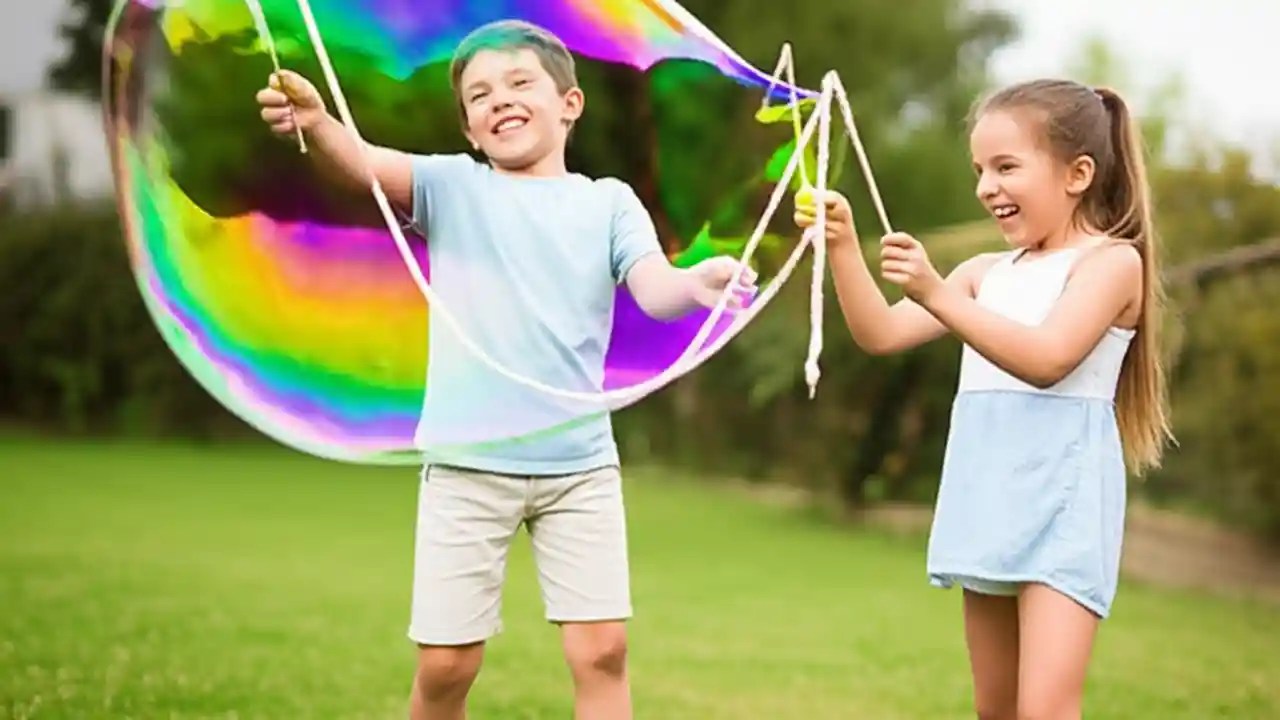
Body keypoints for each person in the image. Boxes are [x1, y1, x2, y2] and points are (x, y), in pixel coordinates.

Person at [257, 19, 756, 720]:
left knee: (603, 651)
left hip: (578, 466)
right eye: (480, 95)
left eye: (520, 82)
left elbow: (653, 286)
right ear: (469, 130)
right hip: (468, 464)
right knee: (447, 664)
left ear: (569, 104)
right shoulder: (451, 186)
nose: (501, 100)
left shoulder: (608, 202)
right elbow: (364, 164)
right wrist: (319, 124)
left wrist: (695, 282)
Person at [795, 78, 1172, 719]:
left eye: (1006, 167)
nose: (986, 187)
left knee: (1044, 709)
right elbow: (880, 334)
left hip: (1063, 505)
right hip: (988, 495)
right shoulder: (982, 274)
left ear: (1078, 174)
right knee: (994, 707)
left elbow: (1049, 358)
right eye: (979, 171)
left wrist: (935, 294)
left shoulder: (1111, 264)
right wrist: (842, 246)